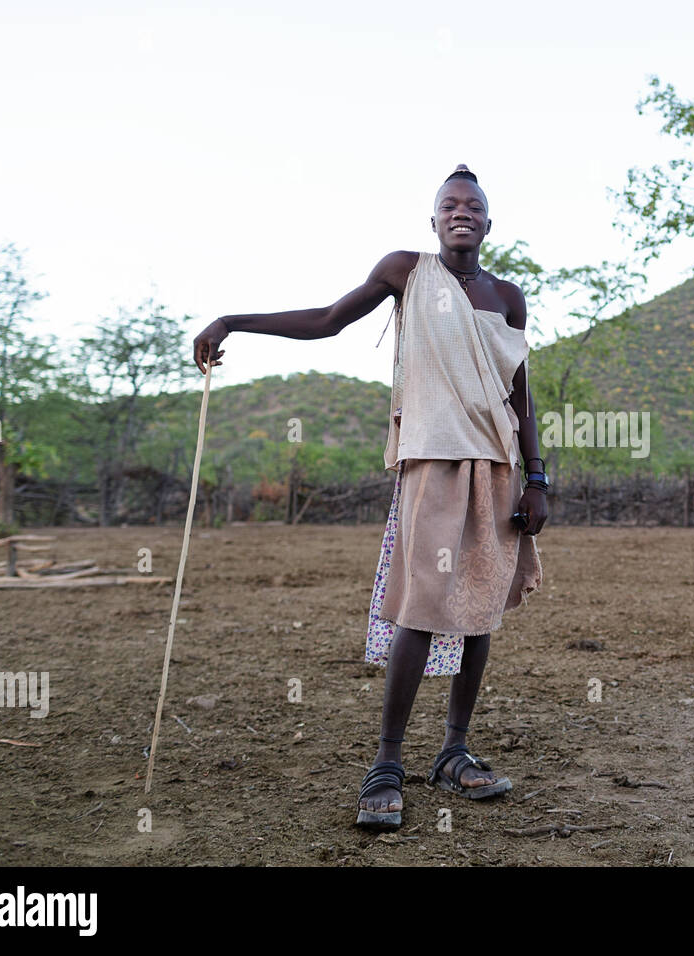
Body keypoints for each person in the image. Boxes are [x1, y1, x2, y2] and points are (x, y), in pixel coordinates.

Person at [192, 164, 547, 831]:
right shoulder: (407, 272)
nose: (461, 211)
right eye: (449, 204)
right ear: (434, 220)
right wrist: (233, 320)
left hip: (497, 469)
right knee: (420, 605)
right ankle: (386, 762)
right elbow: (327, 320)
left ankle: (454, 751)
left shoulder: (507, 297)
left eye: (473, 205)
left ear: (489, 224)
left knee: (479, 610)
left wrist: (538, 476)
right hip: (429, 464)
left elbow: (521, 396)